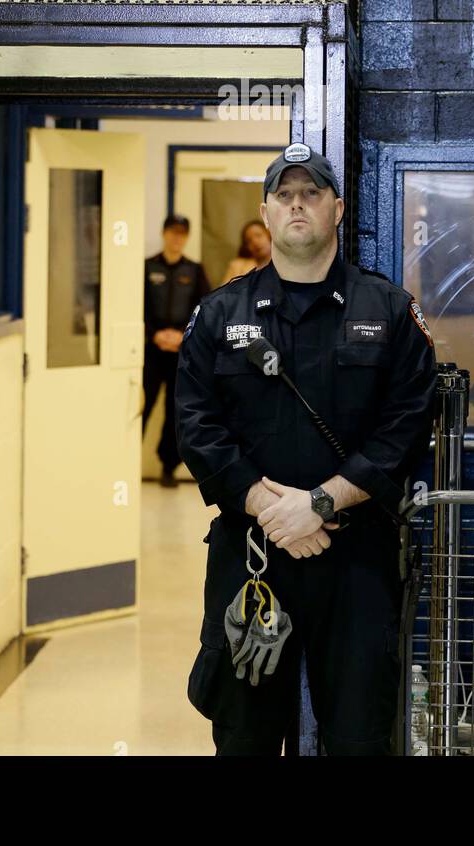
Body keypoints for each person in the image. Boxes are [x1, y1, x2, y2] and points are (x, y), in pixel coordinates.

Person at [175, 142, 437, 756]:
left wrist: (319, 504)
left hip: (356, 564)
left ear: (338, 209)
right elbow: (198, 427)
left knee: (358, 736)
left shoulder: (389, 311)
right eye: (285, 196)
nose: (299, 205)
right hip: (251, 562)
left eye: (312, 194)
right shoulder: (219, 315)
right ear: (265, 214)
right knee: (246, 738)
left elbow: (404, 427)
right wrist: (274, 510)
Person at [142, 214, 211, 486]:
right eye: (172, 232)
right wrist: (154, 335)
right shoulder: (147, 268)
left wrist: (182, 336)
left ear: (187, 236)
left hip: (180, 353)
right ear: (164, 233)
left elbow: (203, 309)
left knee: (175, 411)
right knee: (142, 404)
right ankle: (124, 460)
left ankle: (168, 467)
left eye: (182, 233)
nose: (176, 237)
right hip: (151, 349)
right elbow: (139, 306)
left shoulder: (194, 270)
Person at [219, 218, 272, 285]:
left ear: (269, 235)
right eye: (249, 241)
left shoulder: (283, 264)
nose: (255, 242)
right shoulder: (236, 266)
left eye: (258, 235)